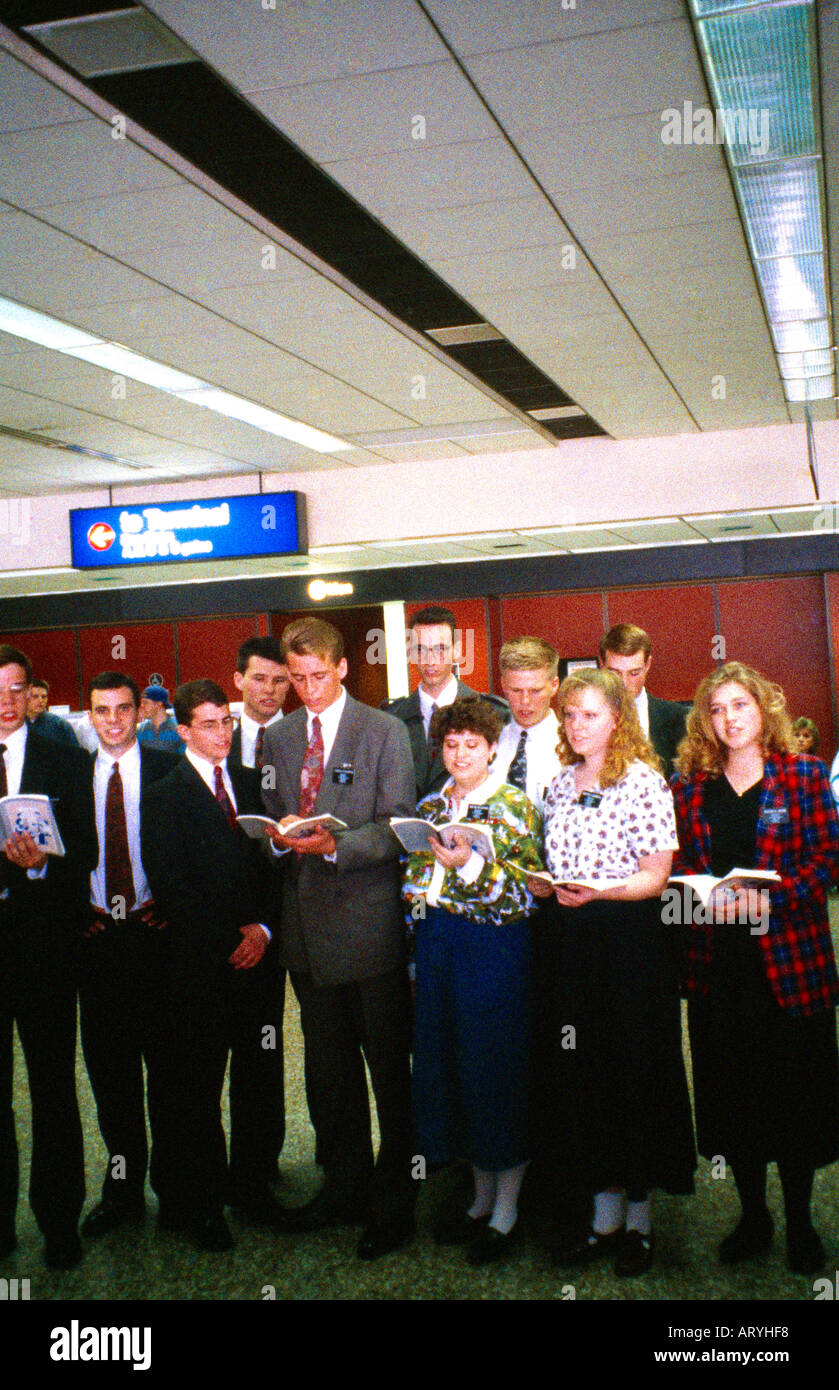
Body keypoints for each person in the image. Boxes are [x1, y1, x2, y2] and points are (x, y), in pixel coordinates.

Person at [671, 661, 839, 1273]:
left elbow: (827, 860)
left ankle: (800, 1221)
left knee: (795, 1099)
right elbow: (679, 864)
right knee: (732, 1097)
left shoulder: (801, 775)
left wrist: (771, 899)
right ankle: (753, 1216)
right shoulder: (690, 784)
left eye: (739, 705)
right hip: (718, 965)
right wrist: (699, 895)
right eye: (716, 710)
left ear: (764, 707)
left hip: (789, 965)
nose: (729, 719)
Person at [261, 618, 417, 1260]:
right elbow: (269, 817)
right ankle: (345, 1187)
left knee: (389, 1073)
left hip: (369, 932)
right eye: (296, 678)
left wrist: (335, 846)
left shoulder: (384, 731)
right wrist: (275, 839)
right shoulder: (278, 736)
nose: (308, 689)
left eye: (318, 675)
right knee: (330, 1076)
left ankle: (397, 1201)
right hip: (307, 937)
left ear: (343, 667)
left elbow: (398, 827)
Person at [533, 667, 695, 1276]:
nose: (577, 726)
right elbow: (558, 861)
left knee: (634, 1073)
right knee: (583, 1076)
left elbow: (656, 876)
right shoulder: (558, 784)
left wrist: (599, 892)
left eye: (591, 715)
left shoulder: (644, 782)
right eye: (570, 715)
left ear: (618, 719)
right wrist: (546, 885)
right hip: (570, 944)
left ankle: (640, 1221)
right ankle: (602, 1219)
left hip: (628, 945)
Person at [140, 680, 285, 1251]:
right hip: (200, 965)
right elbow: (171, 883)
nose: (222, 733)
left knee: (257, 1076)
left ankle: (252, 1186)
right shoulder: (165, 793)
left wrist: (264, 929)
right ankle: (204, 1202)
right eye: (208, 724)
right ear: (182, 731)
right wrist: (230, 937)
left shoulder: (251, 782)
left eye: (226, 721)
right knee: (200, 1086)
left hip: (257, 959)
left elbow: (274, 865)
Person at [402, 697, 544, 1265]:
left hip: (494, 949)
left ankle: (507, 1209)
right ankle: (479, 1199)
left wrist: (470, 866)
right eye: (451, 744)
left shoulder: (514, 806)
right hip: (438, 946)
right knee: (452, 1071)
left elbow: (525, 897)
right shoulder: (431, 805)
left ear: (492, 750)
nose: (460, 754)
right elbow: (414, 885)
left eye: (472, 744)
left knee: (495, 1071)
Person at [0, 645, 97, 1269]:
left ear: (32, 692)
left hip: (44, 949)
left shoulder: (65, 760)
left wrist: (41, 866)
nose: (5, 702)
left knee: (54, 1087)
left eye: (16, 689)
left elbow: (86, 851)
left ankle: (60, 1222)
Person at [80, 672, 177, 1239]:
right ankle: (122, 1193)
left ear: (139, 712)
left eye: (123, 709)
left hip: (155, 937)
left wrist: (174, 905)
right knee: (112, 1080)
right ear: (89, 715)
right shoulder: (71, 775)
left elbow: (193, 847)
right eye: (102, 710)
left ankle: (176, 1191)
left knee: (168, 1074)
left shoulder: (170, 769)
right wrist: (75, 912)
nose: (113, 720)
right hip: (98, 944)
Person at [382, 605, 506, 801]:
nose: (430, 661)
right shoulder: (390, 719)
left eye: (440, 649)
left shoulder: (494, 714)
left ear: (456, 650)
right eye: (420, 649)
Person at [599, 623, 688, 774]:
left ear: (648, 665)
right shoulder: (584, 719)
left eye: (634, 673)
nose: (624, 683)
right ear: (601, 665)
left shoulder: (679, 718)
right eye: (615, 673)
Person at [494, 636, 562, 811]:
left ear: (554, 685)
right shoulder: (487, 742)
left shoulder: (572, 746)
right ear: (503, 685)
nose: (525, 701)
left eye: (535, 691)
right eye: (516, 690)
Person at [229, 635, 290, 773]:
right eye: (259, 679)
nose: (269, 689)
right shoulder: (220, 743)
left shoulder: (306, 739)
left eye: (279, 680)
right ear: (239, 680)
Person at [26, 678, 78, 748]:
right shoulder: (17, 725)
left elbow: (75, 753)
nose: (40, 700)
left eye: (43, 697)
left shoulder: (61, 726)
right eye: (35, 697)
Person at [137, 685, 185, 754]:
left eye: (145, 702)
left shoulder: (178, 730)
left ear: (158, 705)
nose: (142, 706)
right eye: (141, 703)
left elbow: (184, 757)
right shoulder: (140, 730)